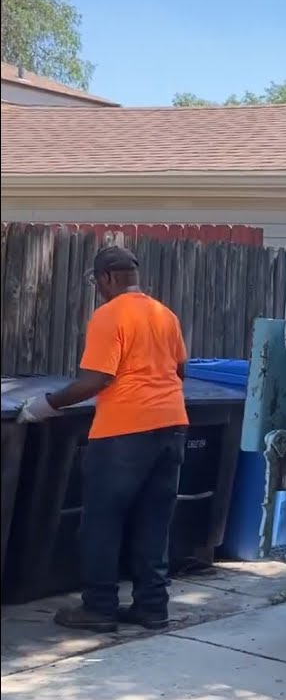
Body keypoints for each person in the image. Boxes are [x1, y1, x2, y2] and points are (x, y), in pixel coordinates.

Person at [18, 245, 189, 633]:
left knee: (102, 522)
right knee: (153, 521)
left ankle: (98, 607)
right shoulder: (166, 315)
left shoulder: (109, 316)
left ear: (106, 278)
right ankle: (152, 608)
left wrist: (44, 405)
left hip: (123, 434)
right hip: (173, 427)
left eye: (97, 282)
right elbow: (180, 370)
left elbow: (95, 380)